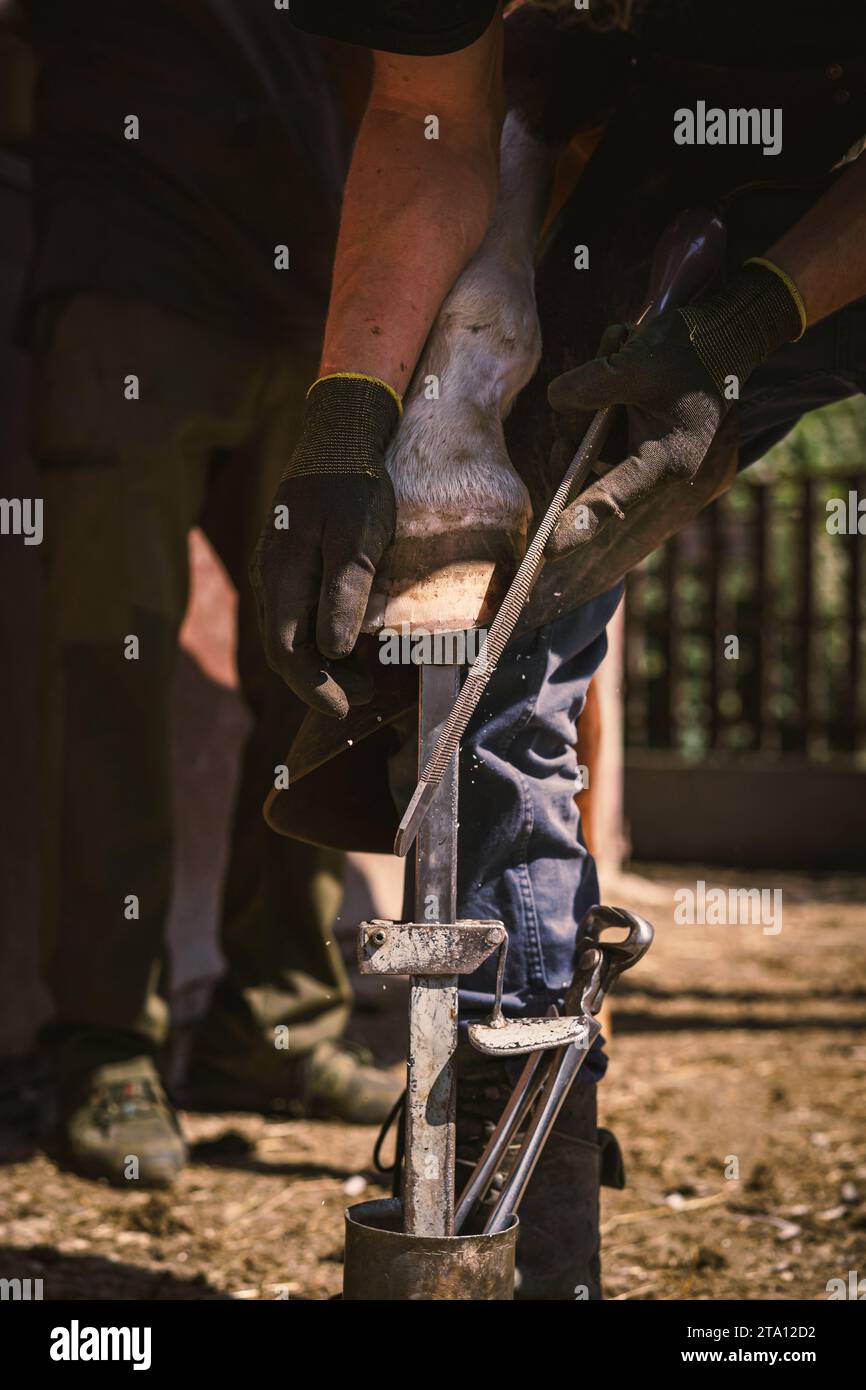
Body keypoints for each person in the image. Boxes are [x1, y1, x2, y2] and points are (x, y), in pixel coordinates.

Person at [251, 0, 866, 1297]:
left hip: (835, 179)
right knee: (506, 630)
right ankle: (525, 1174)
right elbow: (428, 118)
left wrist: (756, 319)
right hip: (634, 139)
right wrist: (344, 417)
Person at [23, 0, 402, 1191]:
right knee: (115, 674)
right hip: (127, 270)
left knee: (320, 675)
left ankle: (274, 1027)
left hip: (309, 302)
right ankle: (104, 1047)